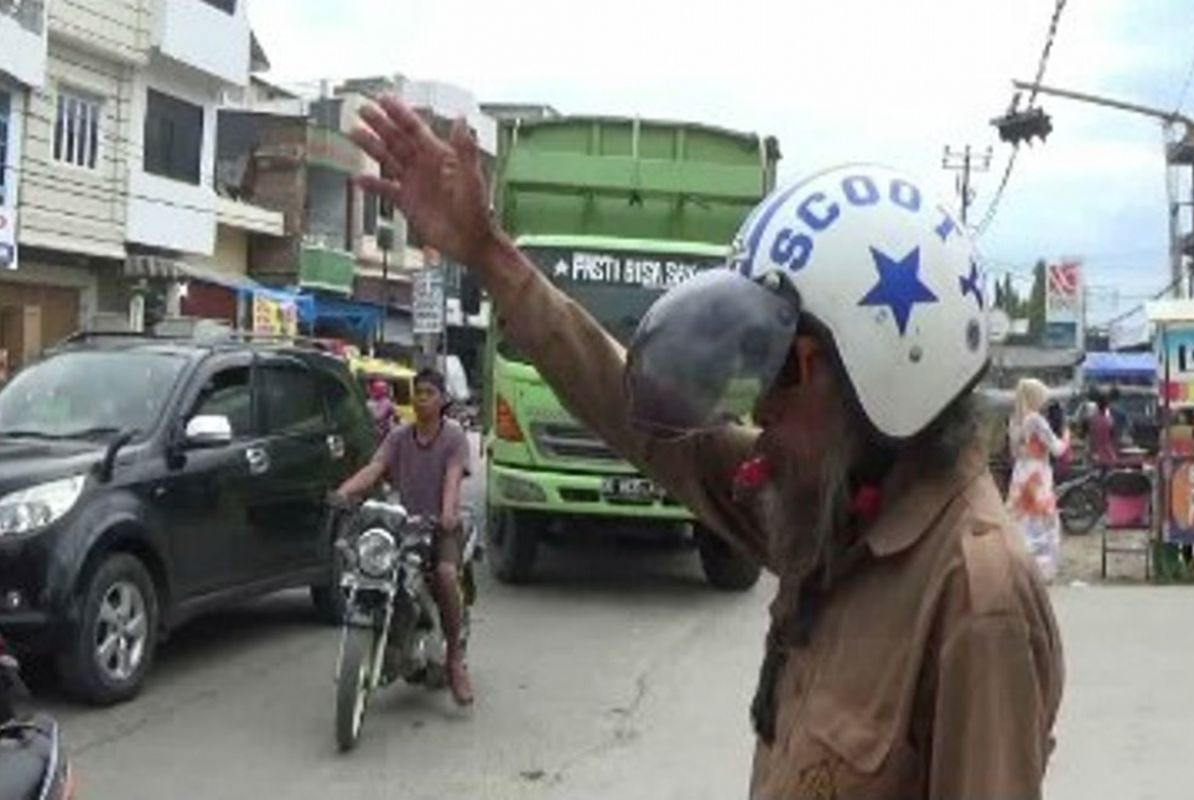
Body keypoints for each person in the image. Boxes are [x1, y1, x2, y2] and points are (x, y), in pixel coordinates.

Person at [351, 97, 1062, 798]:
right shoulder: (837, 506)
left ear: (886, 369)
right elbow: (637, 416)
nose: (760, 407)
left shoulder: (976, 599)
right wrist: (488, 253)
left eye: (784, 370)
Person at [337, 368, 474, 705]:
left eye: (429, 393)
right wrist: (344, 492)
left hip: (442, 526)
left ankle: (454, 660)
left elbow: (453, 477)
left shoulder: (454, 436)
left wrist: (447, 512)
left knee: (444, 574)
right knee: (366, 565)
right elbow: (375, 468)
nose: (421, 398)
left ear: (442, 399)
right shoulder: (399, 436)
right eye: (418, 392)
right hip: (404, 523)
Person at [1007, 378, 1070, 583]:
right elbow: (1057, 449)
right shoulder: (1036, 420)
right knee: (1044, 524)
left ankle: (1019, 570)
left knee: (1022, 522)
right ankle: (1041, 572)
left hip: (1021, 474)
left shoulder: (1015, 420)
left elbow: (1014, 452)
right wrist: (1066, 436)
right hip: (1038, 475)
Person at [1087, 392, 1118, 466]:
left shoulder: (1093, 420)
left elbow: (1091, 437)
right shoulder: (1109, 421)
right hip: (1108, 454)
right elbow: (1112, 437)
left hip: (1096, 453)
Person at [366, 378, 395, 443]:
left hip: (383, 435)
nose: (385, 391)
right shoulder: (370, 402)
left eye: (385, 388)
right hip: (372, 434)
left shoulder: (386, 402)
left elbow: (378, 417)